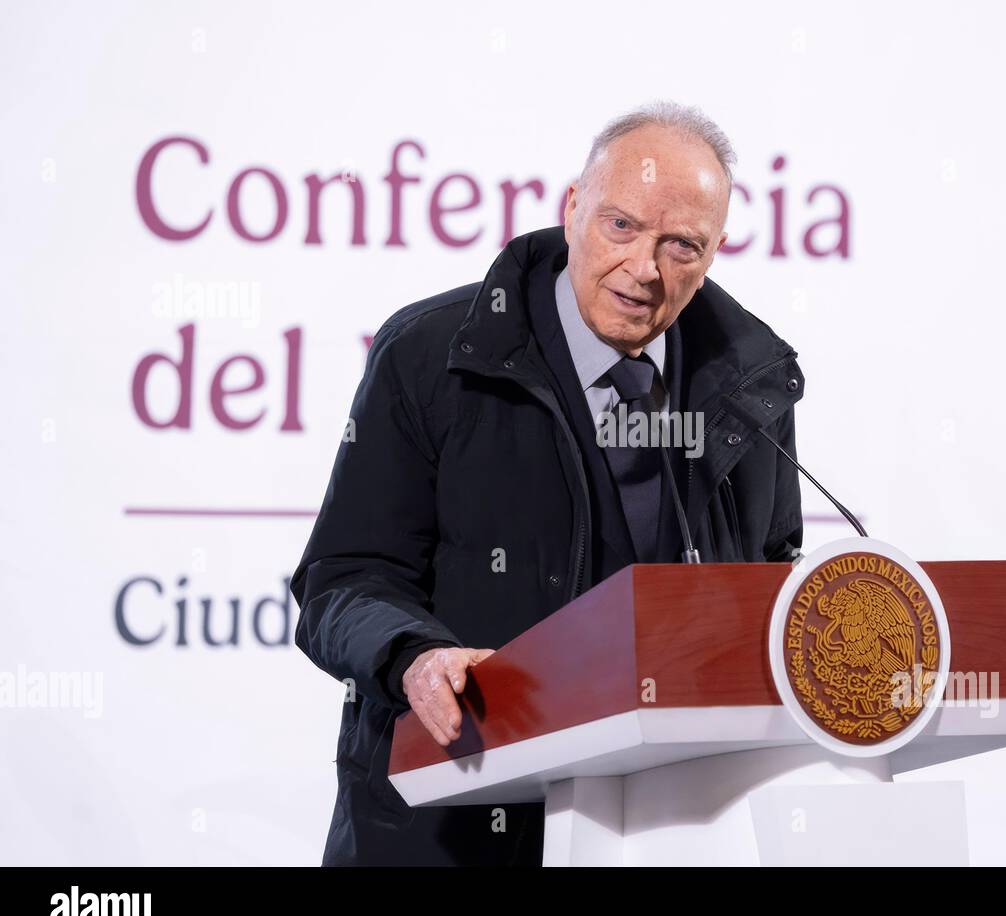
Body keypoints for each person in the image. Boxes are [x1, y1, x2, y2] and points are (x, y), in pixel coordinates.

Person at [291, 101, 805, 865]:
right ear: (573, 209)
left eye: (680, 246)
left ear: (715, 251)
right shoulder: (432, 355)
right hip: (452, 821)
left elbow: (772, 576)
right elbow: (340, 581)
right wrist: (417, 657)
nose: (643, 269)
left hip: (666, 830)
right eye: (621, 226)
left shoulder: (750, 381)